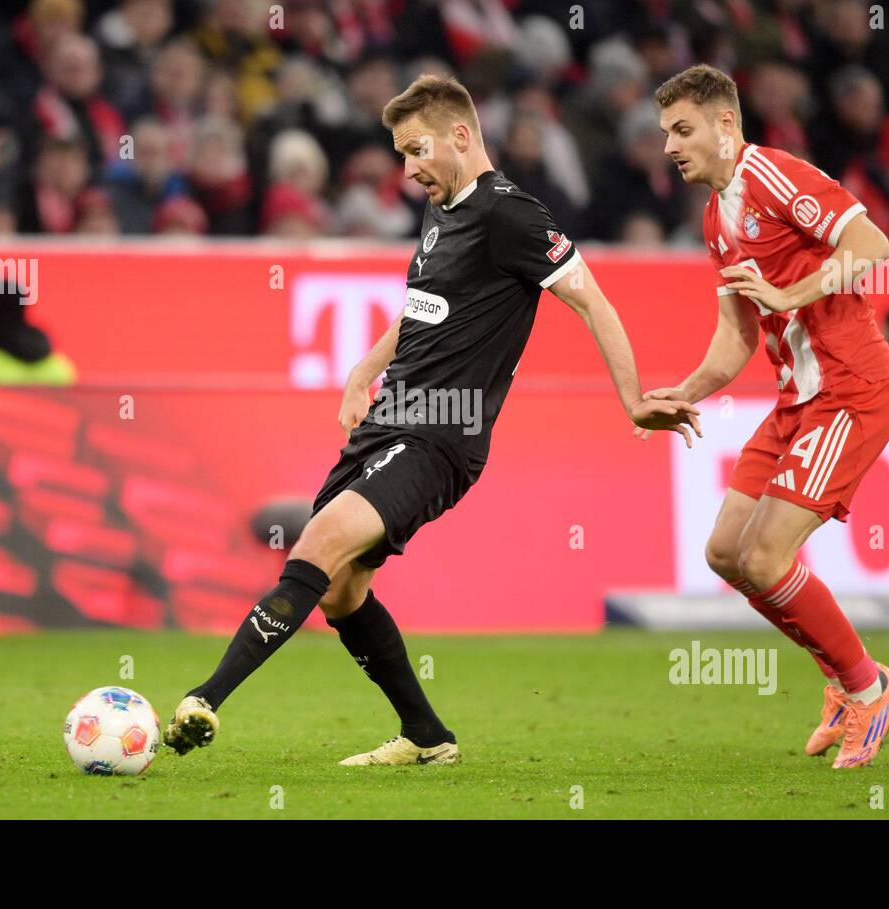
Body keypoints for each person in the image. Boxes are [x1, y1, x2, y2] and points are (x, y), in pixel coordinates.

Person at [165, 74, 698, 766]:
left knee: (316, 545)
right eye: (401, 154)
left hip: (441, 432)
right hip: (389, 423)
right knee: (344, 588)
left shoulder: (513, 215)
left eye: (416, 150)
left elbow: (594, 299)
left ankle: (203, 699)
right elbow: (421, 308)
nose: (408, 168)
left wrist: (632, 399)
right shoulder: (442, 208)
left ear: (461, 136)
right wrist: (363, 369)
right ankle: (426, 734)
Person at [646, 64, 889, 769]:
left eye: (682, 129)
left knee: (766, 555)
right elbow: (735, 337)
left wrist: (794, 294)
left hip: (850, 389)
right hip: (796, 402)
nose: (670, 145)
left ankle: (869, 687)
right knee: (727, 552)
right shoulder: (715, 217)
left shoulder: (774, 175)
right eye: (664, 132)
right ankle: (843, 677)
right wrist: (683, 392)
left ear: (726, 125)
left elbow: (873, 246)